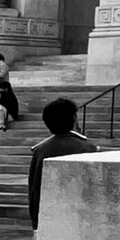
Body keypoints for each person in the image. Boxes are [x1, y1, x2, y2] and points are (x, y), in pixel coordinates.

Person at [27, 98, 98, 231]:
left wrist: (36, 222)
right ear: (74, 118)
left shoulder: (41, 150)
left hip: (47, 218)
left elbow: (34, 189)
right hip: (80, 221)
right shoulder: (87, 148)